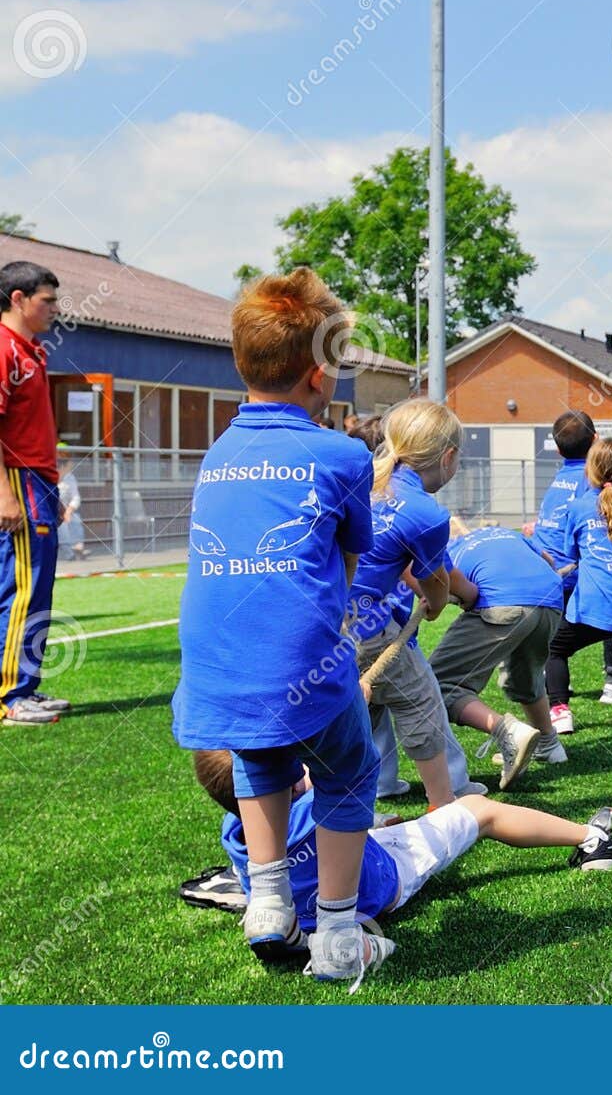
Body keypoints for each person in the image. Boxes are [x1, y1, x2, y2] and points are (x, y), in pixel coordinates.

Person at [170, 267, 388, 983]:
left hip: (216, 670)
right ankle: (336, 937)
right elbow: (350, 560)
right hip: (305, 666)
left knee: (261, 750)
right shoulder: (343, 453)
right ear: (321, 376)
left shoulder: (217, 454)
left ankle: (265, 901)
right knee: (349, 772)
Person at [193, 750, 612, 988]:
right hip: (379, 884)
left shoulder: (235, 831)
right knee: (478, 810)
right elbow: (349, 763)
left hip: (302, 907)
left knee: (362, 837)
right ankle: (592, 838)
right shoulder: (320, 796)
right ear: (290, 779)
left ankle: (285, 927)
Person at [347, 400, 468, 806]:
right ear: (448, 458)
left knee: (345, 711)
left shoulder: (357, 482)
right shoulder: (427, 513)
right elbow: (433, 582)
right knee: (421, 701)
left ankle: (334, 800)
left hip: (319, 618)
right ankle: (443, 803)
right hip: (365, 625)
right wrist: (435, 605)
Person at [428, 519, 569, 790]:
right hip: (550, 602)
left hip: (503, 603)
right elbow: (548, 559)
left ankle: (509, 732)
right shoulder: (508, 533)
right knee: (524, 678)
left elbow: (451, 587)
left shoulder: (450, 551)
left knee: (435, 686)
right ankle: (550, 745)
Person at [530, 410, 612, 720]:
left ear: (557, 449)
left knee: (558, 646)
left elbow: (571, 544)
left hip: (559, 573)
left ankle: (561, 707)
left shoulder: (568, 485)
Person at [0, 261, 70, 725]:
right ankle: (11, 695)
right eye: (47, 300)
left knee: (36, 584)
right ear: (18, 299)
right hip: (17, 481)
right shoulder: (5, 349)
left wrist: (52, 487)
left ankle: (27, 684)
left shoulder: (33, 351)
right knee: (22, 587)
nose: (56, 309)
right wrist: (5, 496)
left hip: (36, 482)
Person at [56, 444, 86, 561]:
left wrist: (69, 511)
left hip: (66, 511)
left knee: (75, 519)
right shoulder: (49, 475)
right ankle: (68, 554)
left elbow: (76, 497)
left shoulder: (70, 477)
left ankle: (78, 547)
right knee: (61, 525)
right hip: (54, 511)